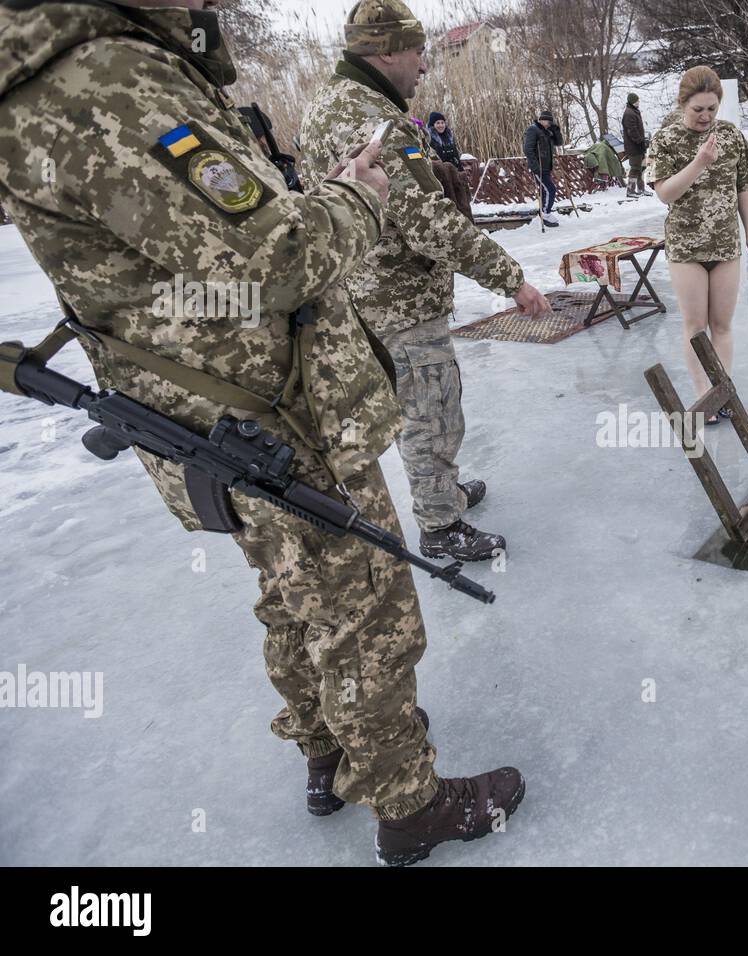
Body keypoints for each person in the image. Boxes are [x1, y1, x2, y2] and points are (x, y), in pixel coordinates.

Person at [0, 0, 523, 867]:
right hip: (273, 420)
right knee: (365, 613)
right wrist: (360, 193)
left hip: (206, 414)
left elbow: (208, 242)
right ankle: (408, 803)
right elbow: (278, 260)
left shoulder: (64, 69)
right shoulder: (110, 79)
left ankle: (325, 752)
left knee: (291, 594)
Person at [299, 0, 549, 564]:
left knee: (432, 404)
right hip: (398, 303)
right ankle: (440, 524)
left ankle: (445, 493)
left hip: (386, 294)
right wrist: (510, 278)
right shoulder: (365, 116)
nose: (426, 66)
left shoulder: (344, 104)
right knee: (431, 411)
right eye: (418, 52)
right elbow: (427, 223)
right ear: (386, 50)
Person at [645, 66, 748, 421]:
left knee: (722, 324)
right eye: (698, 109)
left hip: (725, 243)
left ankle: (720, 391)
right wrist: (699, 163)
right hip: (686, 247)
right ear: (684, 103)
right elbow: (665, 193)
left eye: (712, 108)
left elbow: (745, 186)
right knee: (695, 327)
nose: (706, 116)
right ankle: (703, 395)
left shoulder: (730, 136)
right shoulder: (666, 139)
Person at [524, 109, 564, 227]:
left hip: (547, 167)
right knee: (550, 189)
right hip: (539, 167)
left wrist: (555, 130)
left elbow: (559, 142)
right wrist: (535, 167)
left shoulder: (547, 131)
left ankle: (544, 213)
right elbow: (528, 149)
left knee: (545, 191)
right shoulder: (533, 130)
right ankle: (546, 214)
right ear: (541, 120)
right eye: (547, 121)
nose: (548, 124)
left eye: (550, 122)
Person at [622, 92, 648, 198]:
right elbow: (632, 131)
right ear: (632, 102)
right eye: (637, 101)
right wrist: (640, 141)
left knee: (641, 167)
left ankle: (641, 189)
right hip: (634, 147)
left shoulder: (634, 111)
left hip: (639, 146)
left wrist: (643, 141)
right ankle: (630, 190)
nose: (638, 102)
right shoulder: (629, 113)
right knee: (635, 169)